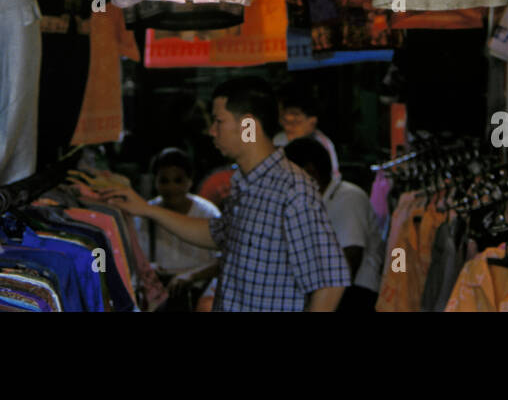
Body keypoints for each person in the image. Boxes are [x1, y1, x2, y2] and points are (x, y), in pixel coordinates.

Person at [98, 76, 349, 311]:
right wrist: (146, 209)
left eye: (219, 122)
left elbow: (330, 281)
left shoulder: (291, 188)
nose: (212, 131)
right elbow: (216, 233)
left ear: (248, 126)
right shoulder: (246, 183)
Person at [284, 136, 383, 312]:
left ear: (310, 171)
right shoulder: (313, 202)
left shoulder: (347, 197)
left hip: (355, 298)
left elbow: (349, 261)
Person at [136, 147, 220, 310]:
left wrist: (192, 276)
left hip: (199, 294)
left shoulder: (207, 212)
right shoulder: (147, 214)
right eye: (164, 181)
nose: (171, 188)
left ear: (190, 181)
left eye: (178, 180)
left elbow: (224, 259)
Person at [272, 82, 341, 181]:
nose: (288, 127)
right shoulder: (278, 141)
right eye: (284, 121)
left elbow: (332, 179)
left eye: (296, 122)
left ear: (312, 121)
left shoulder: (323, 144)